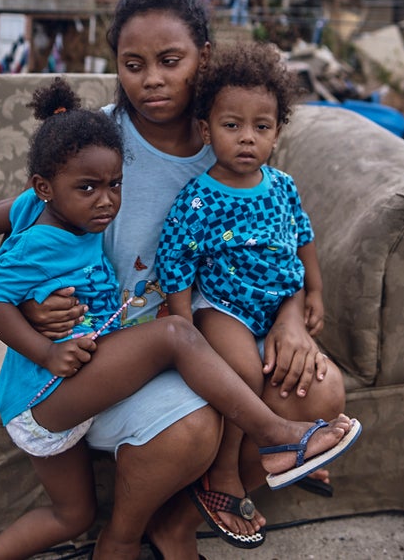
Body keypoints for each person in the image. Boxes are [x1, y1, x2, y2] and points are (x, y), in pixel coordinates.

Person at [0, 0, 343, 557]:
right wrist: (32, 304)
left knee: (320, 394)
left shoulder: (237, 137)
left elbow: (279, 242)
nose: (153, 80)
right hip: (119, 346)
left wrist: (292, 316)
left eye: (171, 60)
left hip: (224, 324)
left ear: (204, 58)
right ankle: (122, 537)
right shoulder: (93, 142)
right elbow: (26, 233)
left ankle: (177, 521)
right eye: (133, 64)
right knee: (195, 427)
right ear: (115, 65)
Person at [154, 42, 333, 537]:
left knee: (307, 378)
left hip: (276, 306)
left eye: (262, 127)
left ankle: (301, 448)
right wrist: (184, 324)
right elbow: (176, 264)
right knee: (246, 371)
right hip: (223, 305)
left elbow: (304, 240)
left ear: (278, 130)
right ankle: (227, 468)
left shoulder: (282, 187)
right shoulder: (199, 198)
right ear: (206, 130)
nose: (247, 139)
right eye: (232, 126)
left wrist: (313, 294)